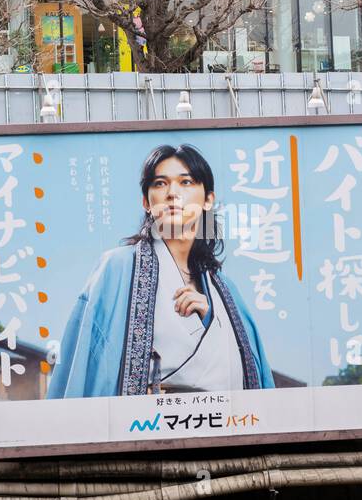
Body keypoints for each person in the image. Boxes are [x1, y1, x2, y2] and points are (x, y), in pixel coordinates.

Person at [47, 144, 273, 398]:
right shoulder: (117, 268)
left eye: (186, 182)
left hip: (217, 427)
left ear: (208, 199)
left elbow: (250, 376)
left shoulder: (226, 291)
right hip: (144, 427)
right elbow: (85, 363)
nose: (172, 193)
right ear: (146, 201)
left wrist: (212, 318)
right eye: (160, 184)